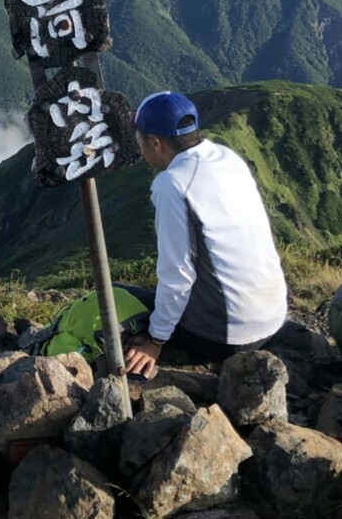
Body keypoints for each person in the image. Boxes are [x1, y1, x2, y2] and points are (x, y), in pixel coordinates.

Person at [120, 91, 287, 376]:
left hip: (228, 336)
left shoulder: (172, 185)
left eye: (139, 139)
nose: (139, 146)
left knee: (118, 295)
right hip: (274, 316)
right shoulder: (227, 156)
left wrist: (156, 340)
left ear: (156, 142)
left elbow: (178, 274)